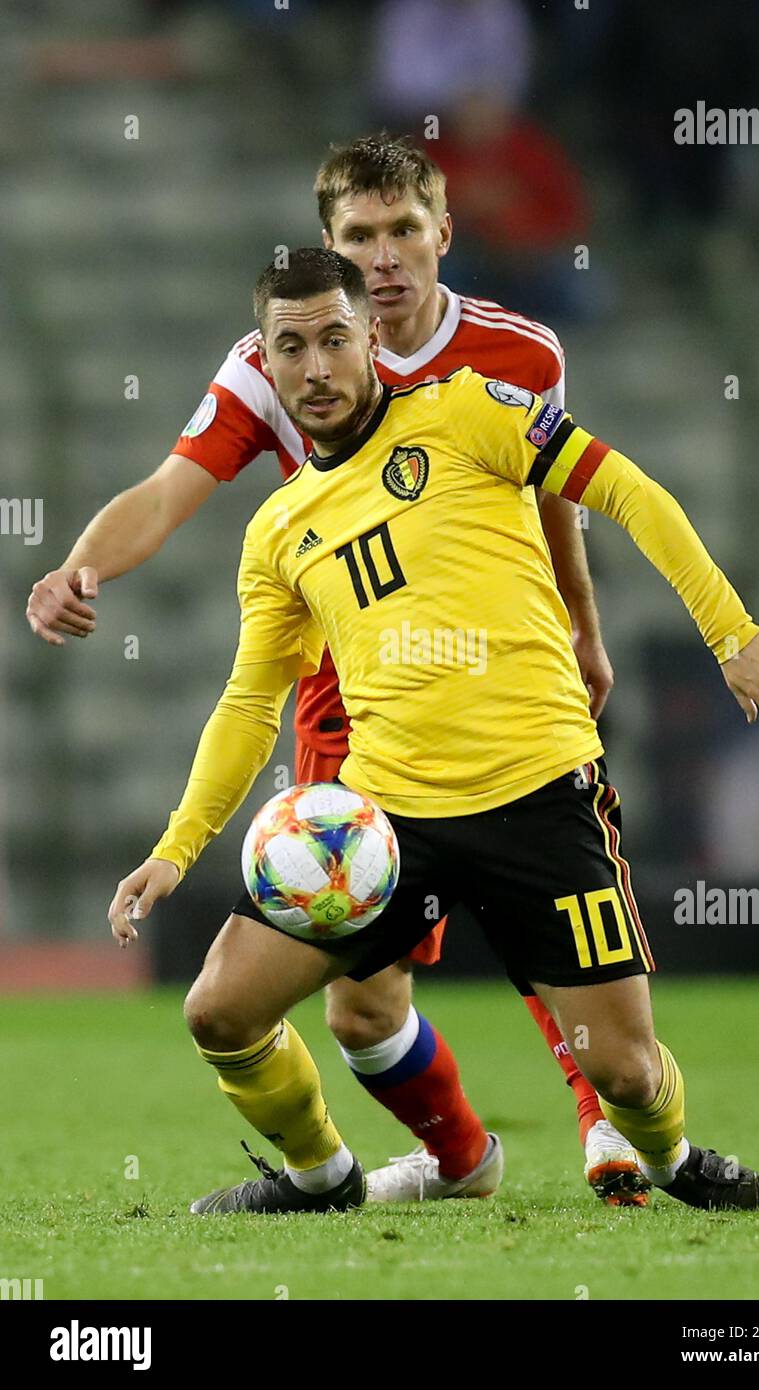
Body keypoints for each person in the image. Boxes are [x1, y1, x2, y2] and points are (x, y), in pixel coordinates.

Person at [108, 248, 759, 1216]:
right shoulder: (279, 528)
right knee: (219, 1009)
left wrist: (728, 632)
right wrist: (174, 848)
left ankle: (668, 1154)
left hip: (538, 797)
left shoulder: (468, 411)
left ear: (372, 340)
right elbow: (248, 703)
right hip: (387, 823)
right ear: (265, 366)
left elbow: (625, 490)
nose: (315, 367)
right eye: (290, 348)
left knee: (623, 1073)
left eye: (332, 339)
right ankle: (322, 1177)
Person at [26, 135, 646, 1207]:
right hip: (345, 705)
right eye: (361, 235)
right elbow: (170, 490)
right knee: (360, 1003)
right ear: (331, 248)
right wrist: (79, 565)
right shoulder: (278, 360)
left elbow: (556, 504)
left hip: (492, 681)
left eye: (404, 229)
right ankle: (455, 1161)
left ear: (441, 233)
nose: (388, 253)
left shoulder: (514, 356)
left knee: (535, 893)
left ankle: (605, 1125)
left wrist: (582, 628)